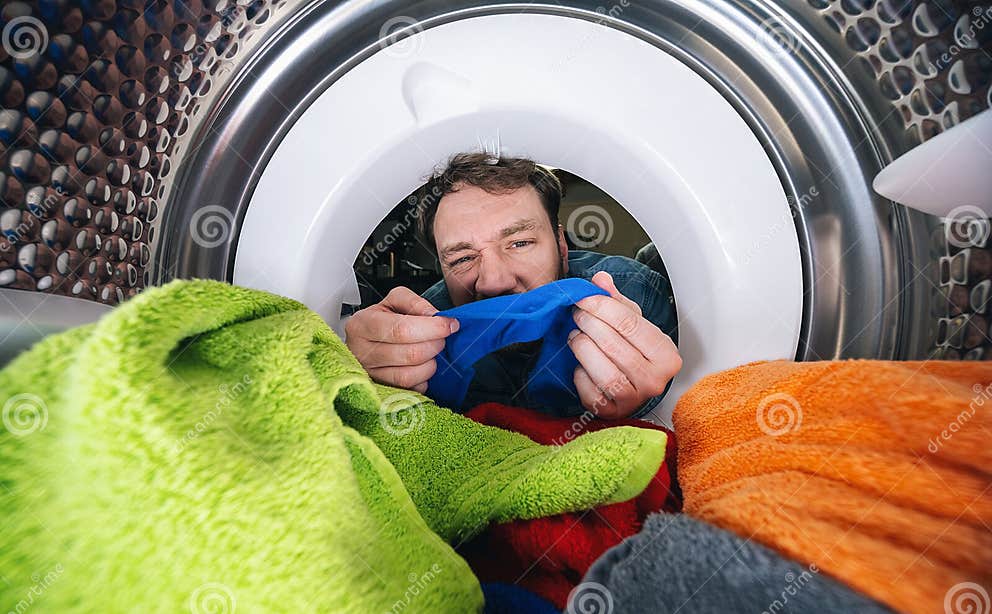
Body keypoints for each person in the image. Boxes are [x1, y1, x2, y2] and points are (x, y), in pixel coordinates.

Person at [344, 153, 681, 419]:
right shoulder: (420, 326)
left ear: (562, 246)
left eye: (520, 243)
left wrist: (643, 400)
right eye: (462, 259)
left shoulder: (632, 291)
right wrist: (360, 377)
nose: (493, 282)